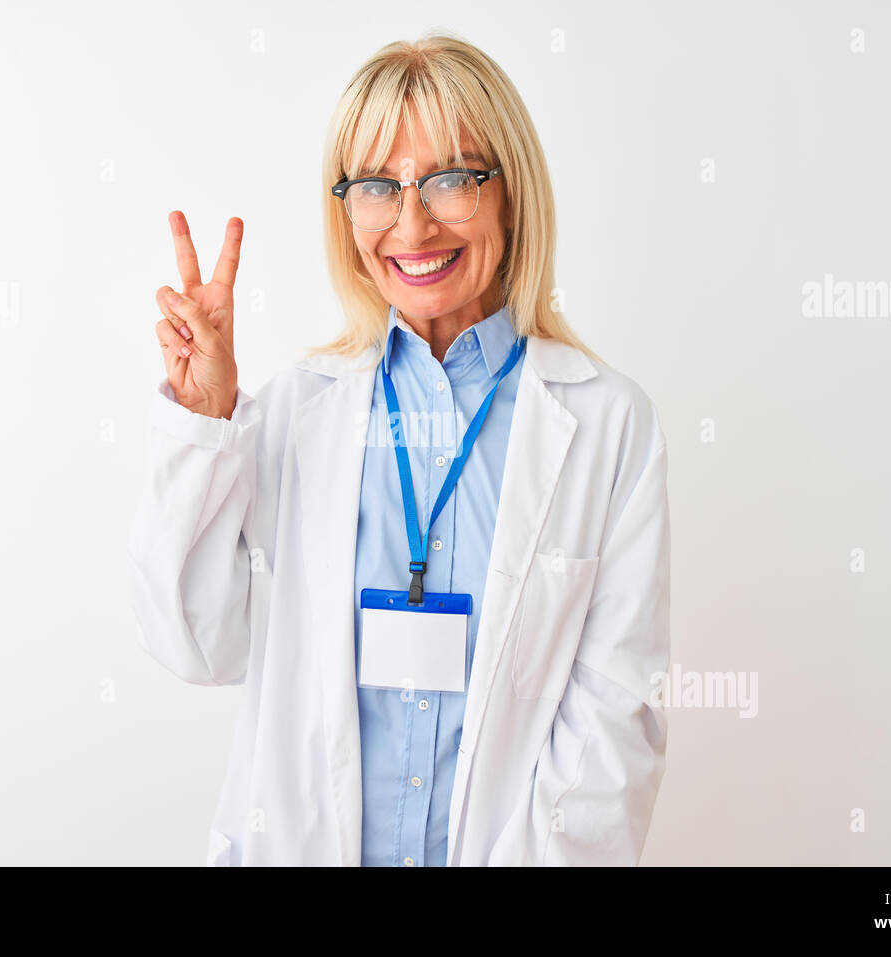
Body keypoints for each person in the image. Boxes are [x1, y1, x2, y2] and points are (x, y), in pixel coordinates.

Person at [129, 32, 670, 866]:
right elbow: (197, 643)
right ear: (346, 209)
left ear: (510, 194)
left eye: (451, 179)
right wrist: (204, 422)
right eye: (378, 186)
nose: (411, 222)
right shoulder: (290, 414)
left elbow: (613, 723)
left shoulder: (607, 425)